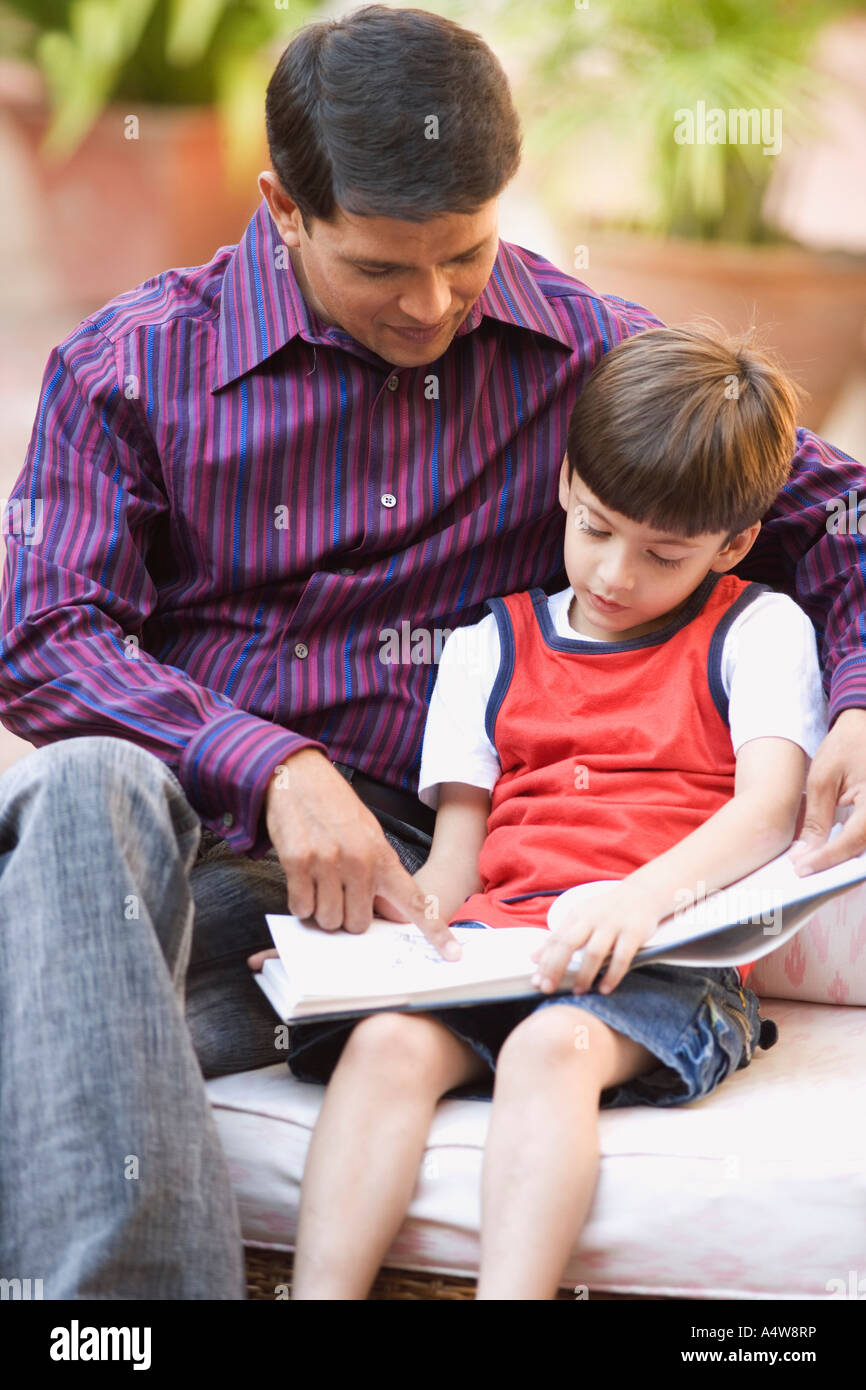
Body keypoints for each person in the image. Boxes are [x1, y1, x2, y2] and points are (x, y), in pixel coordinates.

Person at [0, 4, 863, 1299]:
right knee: (76, 789)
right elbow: (41, 630)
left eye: (462, 254)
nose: (434, 303)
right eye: (381, 268)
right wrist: (272, 763)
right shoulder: (130, 366)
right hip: (195, 832)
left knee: (57, 1036)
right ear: (282, 208)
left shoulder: (573, 349)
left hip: (422, 873)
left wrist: (856, 699)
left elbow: (835, 512)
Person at [282, 325, 829, 1300]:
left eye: (662, 554)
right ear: (566, 485)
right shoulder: (486, 647)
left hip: (662, 963)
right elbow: (454, 862)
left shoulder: (755, 628)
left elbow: (767, 810)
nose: (616, 574)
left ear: (734, 541)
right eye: (594, 528)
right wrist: (369, 940)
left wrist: (638, 901)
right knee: (384, 1042)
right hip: (504, 946)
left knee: (551, 1044)